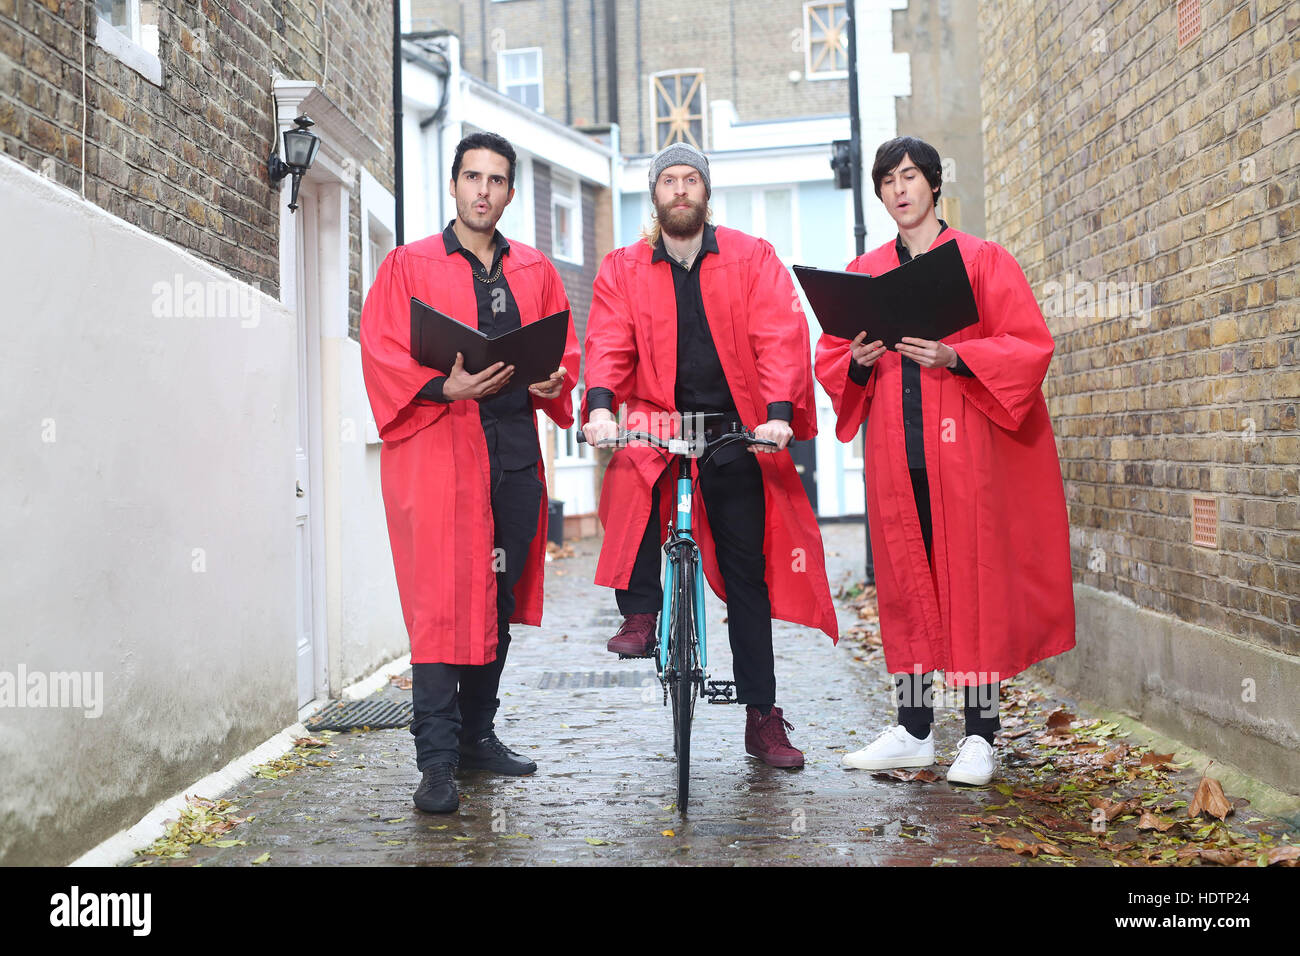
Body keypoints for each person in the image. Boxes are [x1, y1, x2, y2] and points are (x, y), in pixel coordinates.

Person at [814, 136, 1075, 786]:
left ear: (934, 184)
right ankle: (913, 729)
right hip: (896, 457)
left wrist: (959, 356)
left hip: (965, 460)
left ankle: (981, 737)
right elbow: (830, 354)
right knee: (905, 589)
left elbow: (1029, 346)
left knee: (972, 587)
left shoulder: (981, 261)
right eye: (887, 181)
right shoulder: (865, 269)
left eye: (910, 176)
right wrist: (857, 359)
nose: (899, 189)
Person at [582, 142, 838, 769]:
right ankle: (641, 611)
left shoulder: (751, 258)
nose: (679, 190)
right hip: (658, 417)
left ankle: (762, 715)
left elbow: (779, 333)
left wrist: (777, 417)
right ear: (654, 195)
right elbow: (609, 340)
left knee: (748, 573)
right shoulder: (624, 267)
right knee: (631, 474)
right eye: (667, 180)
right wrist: (600, 409)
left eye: (689, 179)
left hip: (733, 427)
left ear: (705, 192)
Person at [360, 131, 579, 813]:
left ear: (510, 193)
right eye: (472, 177)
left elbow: (561, 354)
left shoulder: (536, 270)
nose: (483, 190)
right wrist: (443, 390)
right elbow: (382, 352)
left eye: (496, 180)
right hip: (440, 452)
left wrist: (558, 382)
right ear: (453, 185)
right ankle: (436, 764)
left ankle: (479, 738)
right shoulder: (408, 265)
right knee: (439, 605)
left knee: (497, 598)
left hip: (511, 454)